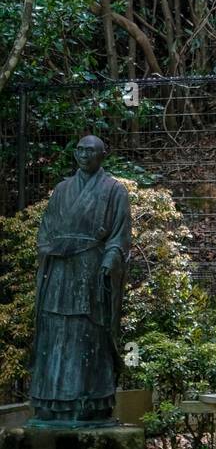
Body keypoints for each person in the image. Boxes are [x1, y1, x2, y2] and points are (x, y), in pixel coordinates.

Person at [30, 135, 131, 424]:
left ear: (103, 155)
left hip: (91, 273)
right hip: (59, 274)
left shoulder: (114, 191)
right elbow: (46, 230)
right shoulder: (61, 190)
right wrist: (50, 248)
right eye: (80, 150)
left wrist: (109, 261)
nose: (84, 155)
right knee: (55, 334)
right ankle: (50, 402)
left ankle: (90, 403)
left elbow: (119, 237)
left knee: (87, 337)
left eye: (91, 151)